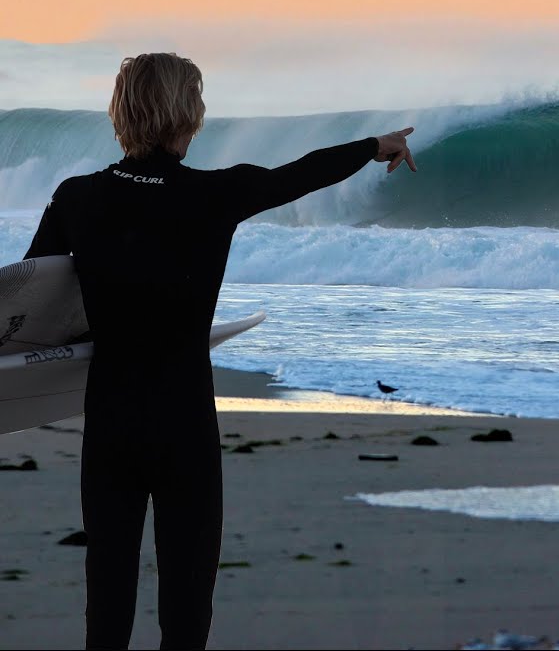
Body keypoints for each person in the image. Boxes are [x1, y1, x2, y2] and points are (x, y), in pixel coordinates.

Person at [23, 52, 417, 649]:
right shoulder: (218, 193)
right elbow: (300, 174)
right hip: (184, 425)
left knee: (106, 606)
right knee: (186, 611)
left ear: (121, 113)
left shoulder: (76, 198)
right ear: (191, 115)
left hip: (111, 423)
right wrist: (374, 145)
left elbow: (31, 299)